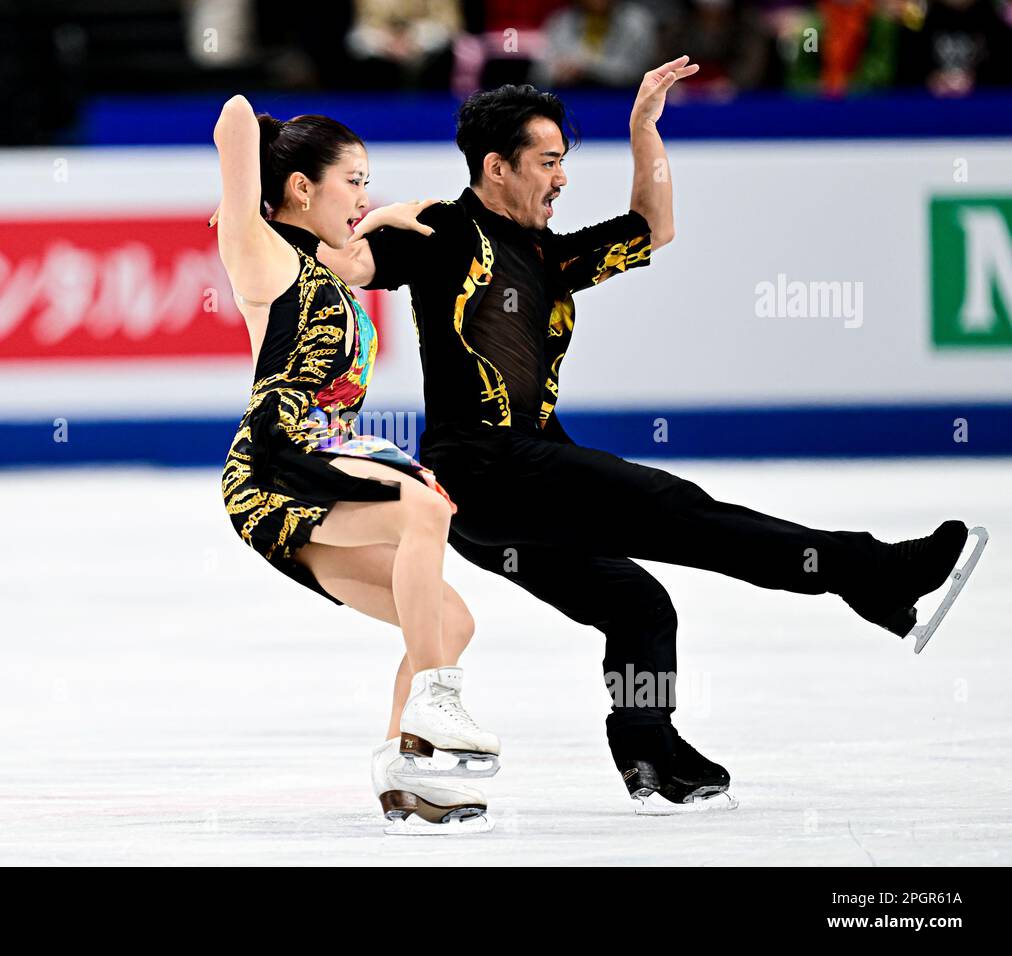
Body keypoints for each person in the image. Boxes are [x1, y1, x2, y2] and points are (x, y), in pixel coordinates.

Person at [316, 68, 984, 814]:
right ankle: (872, 571)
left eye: (564, 159)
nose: (563, 177)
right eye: (547, 161)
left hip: (511, 485)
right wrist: (372, 215)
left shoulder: (548, 256)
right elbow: (343, 263)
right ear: (495, 167)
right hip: (487, 469)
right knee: (680, 509)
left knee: (636, 601)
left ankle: (650, 754)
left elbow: (652, 228)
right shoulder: (442, 232)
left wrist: (644, 131)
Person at [211, 94, 499, 833]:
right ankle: (439, 696)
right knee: (424, 507)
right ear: (302, 189)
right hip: (280, 460)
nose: (365, 196)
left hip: (322, 459)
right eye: (354, 181)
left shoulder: (322, 267)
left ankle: (407, 770)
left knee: (448, 618)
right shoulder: (261, 255)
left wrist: (375, 217)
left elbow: (336, 239)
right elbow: (236, 117)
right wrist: (260, 162)